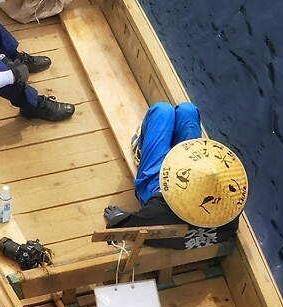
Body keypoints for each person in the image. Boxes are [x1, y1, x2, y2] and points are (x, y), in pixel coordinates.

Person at [103, 102, 248, 249]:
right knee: (187, 111)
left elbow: (134, 228)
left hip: (159, 191)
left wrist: (118, 218)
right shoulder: (229, 210)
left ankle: (143, 147)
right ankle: (172, 142)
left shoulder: (159, 209)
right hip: (182, 207)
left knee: (162, 111)